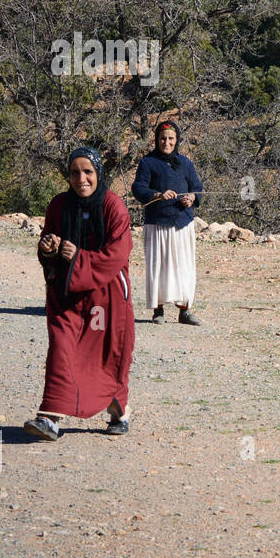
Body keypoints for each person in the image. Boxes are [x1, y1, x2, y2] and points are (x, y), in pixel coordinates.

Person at [25, 146, 135, 441]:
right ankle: (49, 417)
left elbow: (117, 254)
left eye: (88, 172)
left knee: (104, 356)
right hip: (68, 293)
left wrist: (79, 257)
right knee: (61, 347)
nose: (81, 179)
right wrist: (48, 248)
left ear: (98, 173)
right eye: (75, 172)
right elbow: (48, 242)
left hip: (105, 296)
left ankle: (117, 408)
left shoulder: (114, 207)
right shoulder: (59, 205)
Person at [131, 120, 204, 326]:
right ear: (157, 140)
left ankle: (185, 311)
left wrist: (191, 197)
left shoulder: (186, 163)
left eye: (171, 138)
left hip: (183, 223)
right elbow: (138, 188)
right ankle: (158, 310)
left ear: (177, 140)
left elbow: (197, 187)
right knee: (158, 268)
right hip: (158, 224)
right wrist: (157, 194)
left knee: (184, 268)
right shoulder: (148, 162)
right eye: (163, 138)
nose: (167, 142)